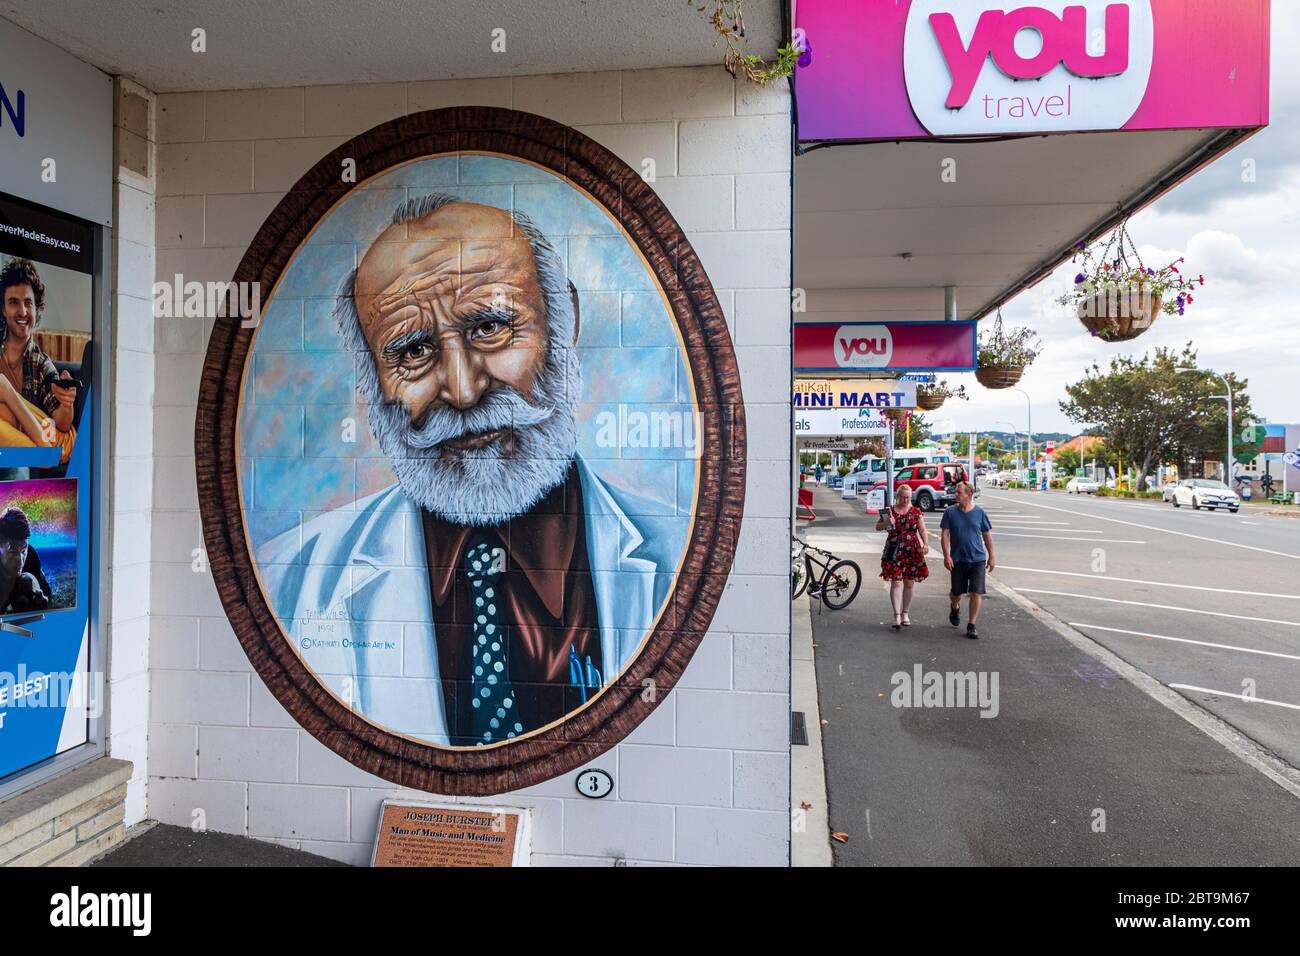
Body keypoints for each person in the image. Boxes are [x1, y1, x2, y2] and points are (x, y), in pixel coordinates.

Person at [259, 194, 677, 747]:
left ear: (564, 322)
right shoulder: (290, 577)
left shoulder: (678, 554)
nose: (462, 389)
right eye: (411, 351)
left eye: (491, 327)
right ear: (372, 382)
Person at [0, 258, 78, 461]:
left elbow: (61, 424)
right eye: (13, 302)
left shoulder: (41, 364)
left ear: (36, 310)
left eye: (28, 303)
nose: (23, 312)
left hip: (31, 448)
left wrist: (67, 403)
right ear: (3, 309)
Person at [940, 481, 995, 639]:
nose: (956, 494)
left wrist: (992, 556)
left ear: (969, 494)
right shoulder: (950, 512)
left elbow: (987, 535)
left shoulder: (980, 513)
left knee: (976, 592)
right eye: (956, 492)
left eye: (959, 492)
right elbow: (945, 534)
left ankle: (971, 624)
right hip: (958, 559)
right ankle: (954, 606)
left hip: (977, 558)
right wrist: (946, 555)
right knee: (956, 592)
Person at [875, 483, 928, 629]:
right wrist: (886, 522)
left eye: (908, 497)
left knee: (909, 582)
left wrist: (925, 544)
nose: (905, 500)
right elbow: (877, 527)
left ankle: (905, 613)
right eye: (903, 497)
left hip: (912, 550)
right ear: (897, 496)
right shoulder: (890, 511)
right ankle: (897, 615)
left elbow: (923, 530)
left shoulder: (916, 512)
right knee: (896, 581)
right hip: (894, 549)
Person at [0, 507, 51, 613]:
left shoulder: (31, 556)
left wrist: (42, 601)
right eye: (13, 552)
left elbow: (47, 595)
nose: (20, 560)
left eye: (23, 551)